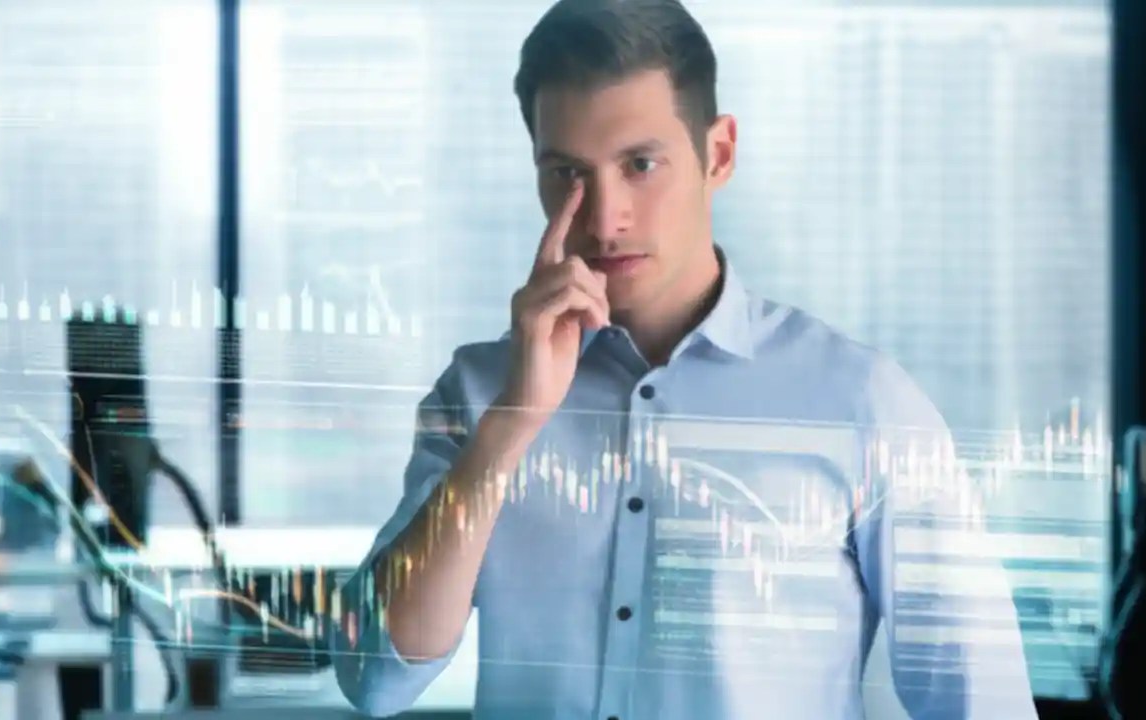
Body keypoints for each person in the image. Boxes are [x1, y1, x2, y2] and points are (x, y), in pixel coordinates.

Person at [333, 1, 1036, 717]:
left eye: (641, 164)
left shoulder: (863, 404)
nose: (605, 219)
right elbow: (374, 680)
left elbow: (984, 703)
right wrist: (510, 429)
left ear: (719, 154)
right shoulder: (482, 394)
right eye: (569, 173)